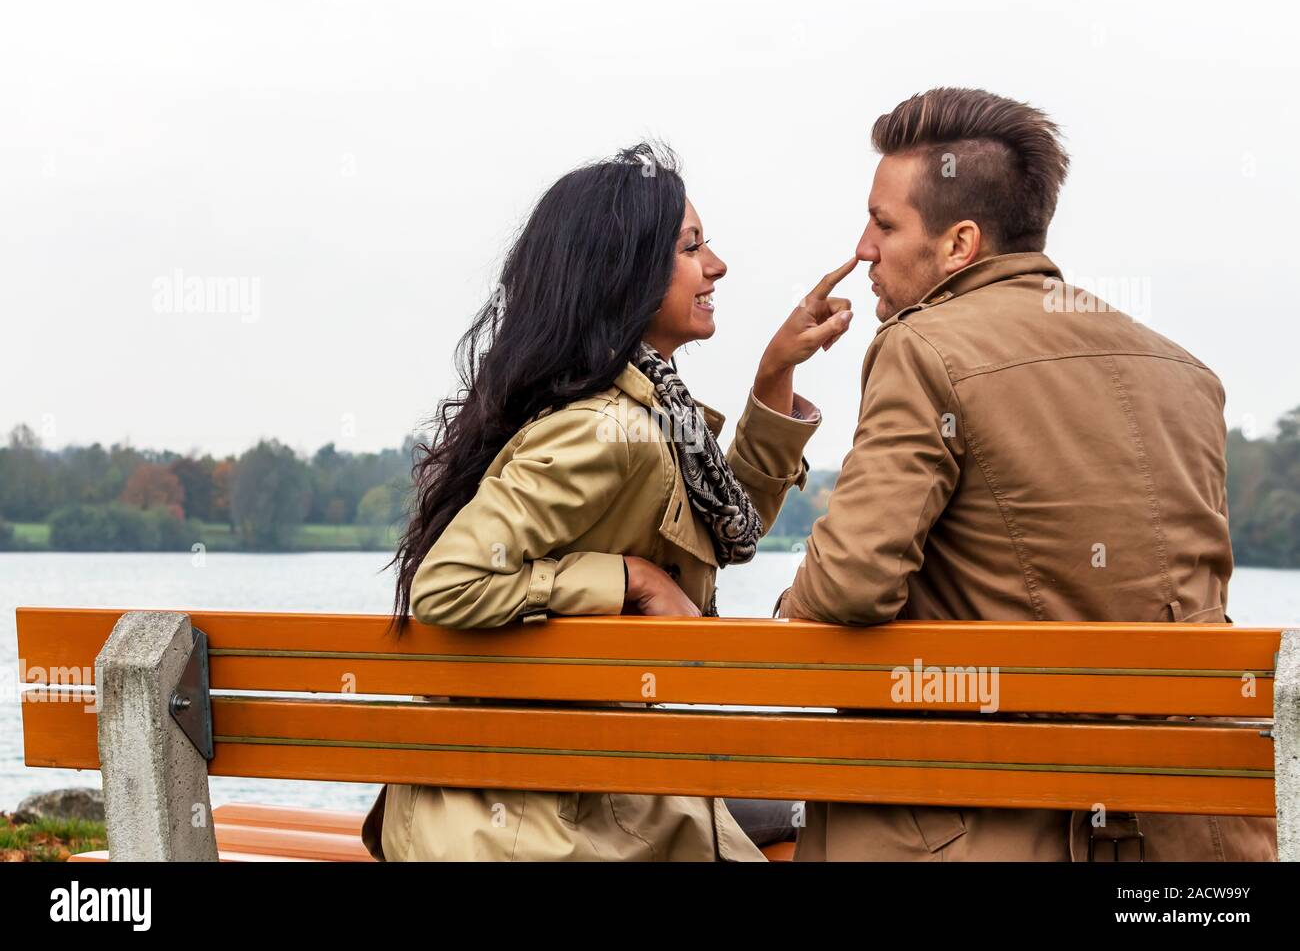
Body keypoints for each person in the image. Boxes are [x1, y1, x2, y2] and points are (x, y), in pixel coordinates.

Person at [778, 87, 1277, 861]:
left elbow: (847, 589)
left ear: (959, 245)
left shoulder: (923, 349)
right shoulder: (1186, 372)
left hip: (988, 827)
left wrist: (786, 610)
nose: (863, 250)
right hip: (1184, 843)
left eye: (883, 225)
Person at [361, 142, 852, 861]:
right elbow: (447, 583)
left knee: (806, 815)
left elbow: (720, 524)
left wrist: (775, 371)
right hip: (543, 821)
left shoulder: (647, 413)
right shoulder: (608, 430)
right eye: (691, 247)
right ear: (626, 271)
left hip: (577, 784)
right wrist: (627, 580)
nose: (716, 265)